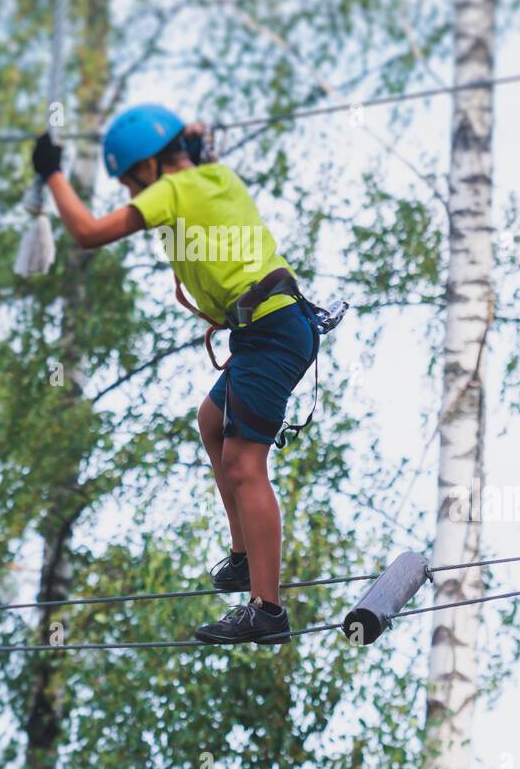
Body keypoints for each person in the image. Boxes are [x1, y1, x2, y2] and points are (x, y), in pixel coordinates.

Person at [31, 104, 320, 645]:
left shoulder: (169, 191)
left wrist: (51, 173)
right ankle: (242, 557)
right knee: (212, 422)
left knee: (243, 463)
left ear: (145, 168)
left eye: (129, 180)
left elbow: (89, 232)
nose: (131, 192)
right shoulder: (214, 175)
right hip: (274, 326)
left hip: (271, 329)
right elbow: (194, 158)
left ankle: (267, 611)